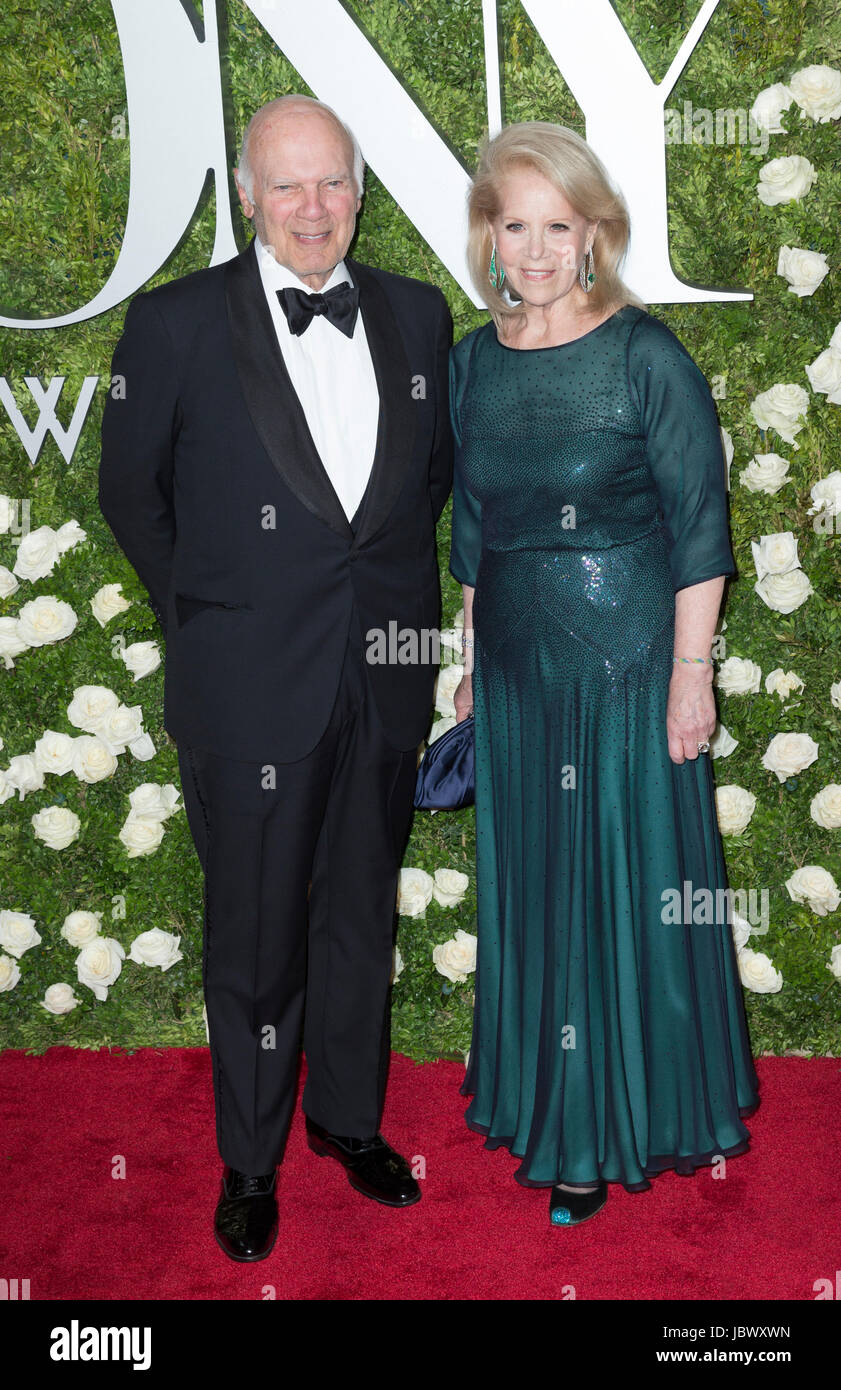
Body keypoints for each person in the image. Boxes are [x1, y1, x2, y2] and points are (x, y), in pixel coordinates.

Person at [99, 95, 453, 1261]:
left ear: (361, 191)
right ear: (246, 195)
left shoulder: (415, 315)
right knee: (254, 936)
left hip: (384, 676)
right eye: (287, 185)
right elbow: (130, 497)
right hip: (249, 683)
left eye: (333, 183)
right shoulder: (174, 324)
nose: (313, 208)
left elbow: (428, 489)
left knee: (360, 914)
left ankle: (348, 1124)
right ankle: (249, 1162)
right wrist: (217, 614)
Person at [448, 121, 760, 1226]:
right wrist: (469, 653)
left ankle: (612, 1126)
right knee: (540, 889)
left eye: (557, 226)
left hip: (630, 677)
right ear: (490, 234)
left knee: (619, 890)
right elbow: (476, 521)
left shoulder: (644, 356)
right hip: (523, 681)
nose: (534, 249)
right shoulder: (472, 361)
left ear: (593, 236)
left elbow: (700, 531)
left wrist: (691, 674)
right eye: (514, 224)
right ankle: (549, 1101)